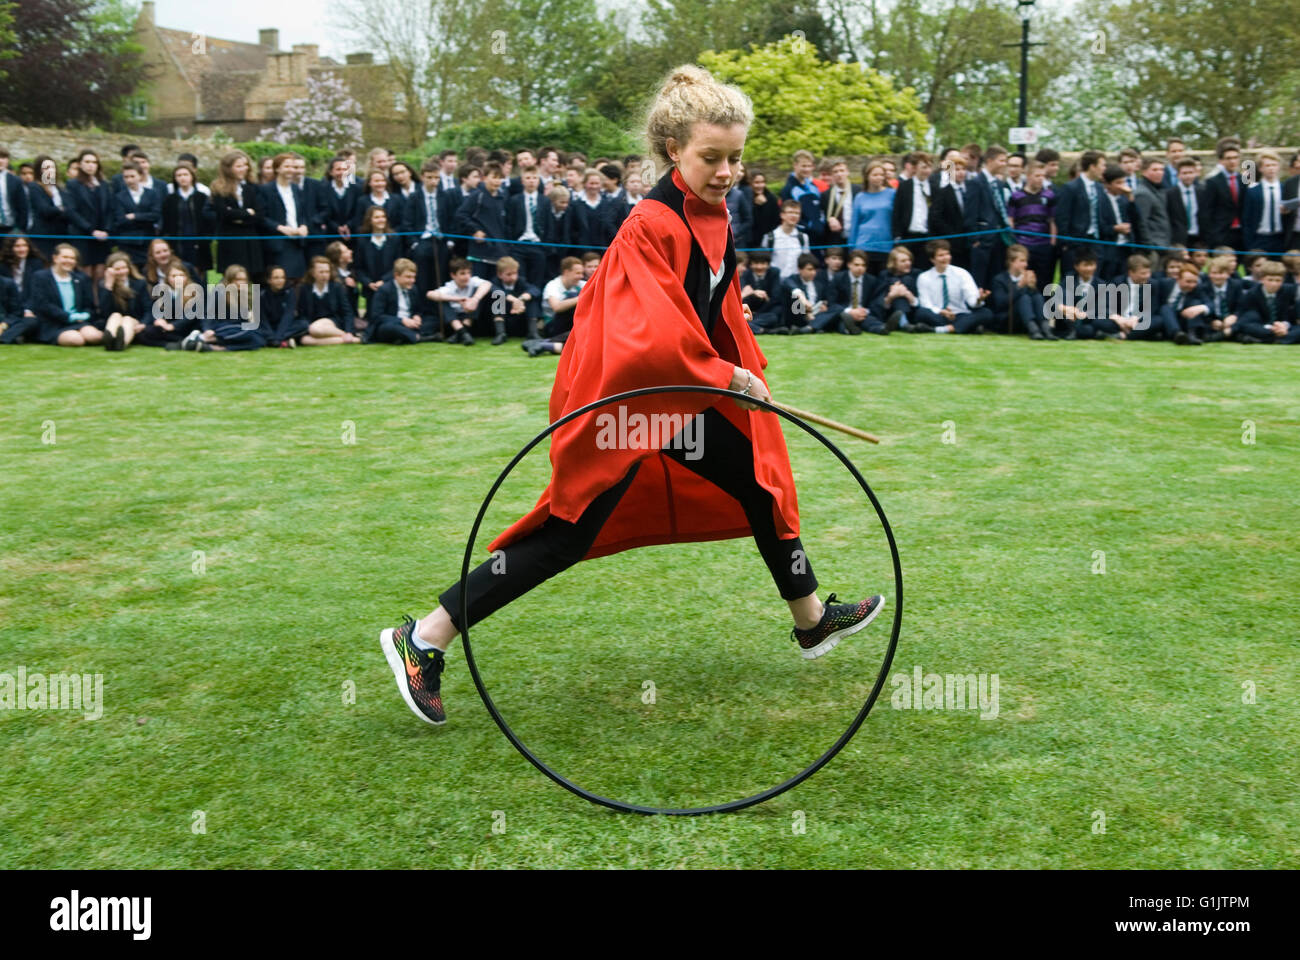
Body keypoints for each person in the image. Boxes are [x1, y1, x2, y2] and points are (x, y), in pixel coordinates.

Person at [378, 65, 885, 727]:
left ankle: (811, 619)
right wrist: (727, 376)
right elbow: (649, 333)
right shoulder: (652, 224)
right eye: (711, 157)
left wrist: (737, 361)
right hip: (624, 402)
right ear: (673, 151)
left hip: (676, 401)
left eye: (735, 156)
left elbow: (710, 304)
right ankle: (425, 637)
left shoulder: (714, 211)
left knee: (759, 483)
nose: (727, 170)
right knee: (568, 532)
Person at [28, 243, 101, 346]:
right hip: (53, 323)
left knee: (95, 337)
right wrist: (68, 316)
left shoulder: (80, 279)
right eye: (65, 257)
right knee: (76, 340)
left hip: (78, 321)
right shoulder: (40, 277)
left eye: (72, 258)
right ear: (55, 258)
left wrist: (85, 314)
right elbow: (43, 304)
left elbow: (88, 304)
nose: (69, 261)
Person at [913, 239, 991, 334]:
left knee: (986, 313)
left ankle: (939, 330)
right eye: (941, 255)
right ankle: (967, 328)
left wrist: (979, 299)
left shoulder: (961, 273)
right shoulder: (924, 277)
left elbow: (972, 300)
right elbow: (926, 303)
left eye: (947, 254)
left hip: (959, 314)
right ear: (932, 259)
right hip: (938, 315)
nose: (946, 258)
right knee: (921, 313)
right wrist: (942, 312)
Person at [211, 150, 264, 281]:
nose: (244, 168)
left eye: (245, 165)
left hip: (250, 241)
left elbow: (259, 214)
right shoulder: (218, 188)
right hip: (230, 241)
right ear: (228, 169)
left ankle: (253, 302)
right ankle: (229, 302)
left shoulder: (251, 187)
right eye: (239, 166)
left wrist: (239, 217)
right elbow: (224, 213)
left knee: (252, 279)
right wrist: (247, 213)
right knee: (231, 279)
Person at [294, 256, 361, 345]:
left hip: (332, 323)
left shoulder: (337, 287)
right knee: (304, 340)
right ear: (313, 273)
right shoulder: (305, 289)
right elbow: (301, 313)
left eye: (327, 272)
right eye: (321, 272)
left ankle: (345, 335)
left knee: (315, 329)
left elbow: (347, 312)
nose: (324, 275)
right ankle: (352, 340)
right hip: (312, 325)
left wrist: (348, 331)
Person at [161, 161, 213, 274]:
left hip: (199, 243)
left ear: (192, 177)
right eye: (179, 175)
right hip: (178, 243)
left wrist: (208, 238)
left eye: (185, 174)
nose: (182, 178)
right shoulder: (170, 200)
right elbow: (165, 223)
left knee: (199, 276)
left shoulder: (202, 197)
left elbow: (209, 221)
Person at [93, 251, 148, 351]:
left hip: (134, 321)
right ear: (109, 270)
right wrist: (109, 286)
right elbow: (103, 312)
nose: (122, 271)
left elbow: (148, 309)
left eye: (124, 268)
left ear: (129, 268)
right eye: (117, 269)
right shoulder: (104, 285)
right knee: (115, 315)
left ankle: (121, 343)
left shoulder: (140, 283)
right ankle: (110, 340)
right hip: (113, 321)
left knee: (127, 319)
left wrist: (143, 324)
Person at [849, 160, 894, 274]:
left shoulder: (892, 194)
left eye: (881, 175)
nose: (879, 178)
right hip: (864, 245)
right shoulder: (860, 197)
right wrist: (852, 248)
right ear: (867, 176)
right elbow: (854, 223)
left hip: (885, 245)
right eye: (875, 175)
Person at [364, 258, 424, 344]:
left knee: (432, 321)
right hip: (393, 323)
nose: (412, 281)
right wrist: (402, 321)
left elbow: (418, 310)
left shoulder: (413, 289)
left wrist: (417, 316)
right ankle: (417, 337)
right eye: (408, 277)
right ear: (396, 276)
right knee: (388, 328)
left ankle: (407, 336)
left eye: (414, 277)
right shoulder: (384, 290)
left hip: (410, 323)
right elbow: (377, 316)